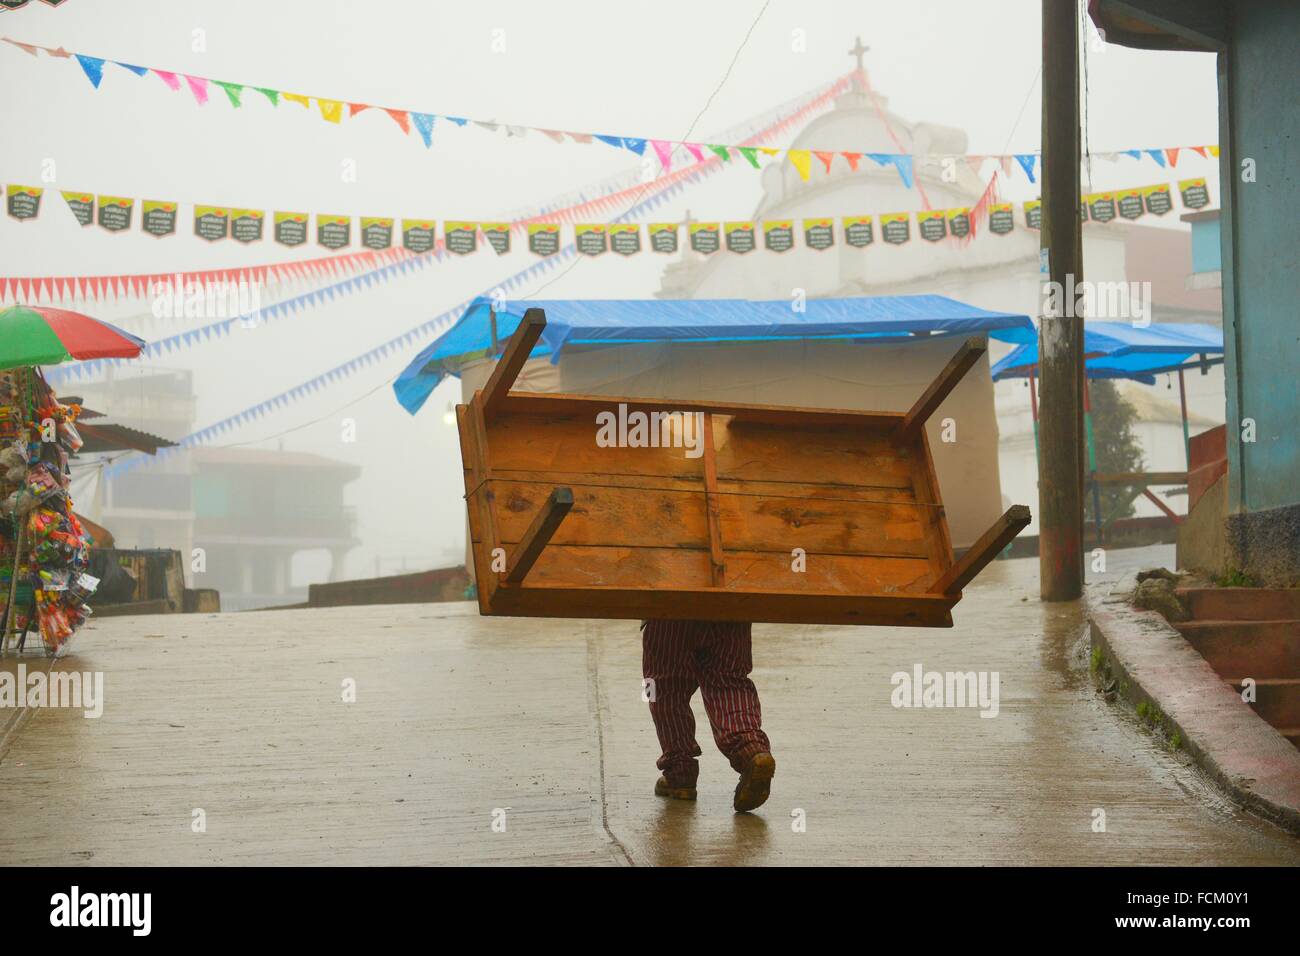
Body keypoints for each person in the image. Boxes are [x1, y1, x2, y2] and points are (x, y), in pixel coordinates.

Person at [641, 618, 775, 812]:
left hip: (670, 609)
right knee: (730, 683)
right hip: (731, 606)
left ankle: (680, 771)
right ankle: (751, 750)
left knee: (663, 687)